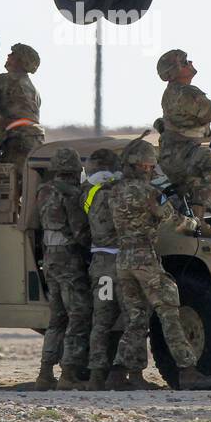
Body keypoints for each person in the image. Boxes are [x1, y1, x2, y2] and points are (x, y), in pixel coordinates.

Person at [110, 138, 211, 391]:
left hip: (123, 259)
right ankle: (187, 371)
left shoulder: (114, 191)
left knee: (135, 319)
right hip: (144, 258)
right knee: (169, 311)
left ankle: (116, 375)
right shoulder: (149, 193)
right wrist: (196, 225)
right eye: (149, 167)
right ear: (142, 167)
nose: (151, 172)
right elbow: (173, 219)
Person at [155, 49, 211, 236]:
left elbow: (206, 110)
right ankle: (198, 222)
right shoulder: (186, 93)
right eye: (185, 62)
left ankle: (193, 216)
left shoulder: (174, 92)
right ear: (176, 72)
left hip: (174, 153)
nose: (190, 63)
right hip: (182, 152)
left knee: (195, 182)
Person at [29, 147, 92, 391]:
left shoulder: (43, 191)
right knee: (79, 314)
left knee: (56, 318)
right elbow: (80, 232)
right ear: (76, 170)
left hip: (50, 258)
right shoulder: (72, 194)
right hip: (69, 259)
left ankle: (45, 374)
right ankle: (69, 373)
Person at [80, 147, 131, 391]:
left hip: (100, 265)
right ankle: (124, 373)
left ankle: (95, 377)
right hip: (122, 265)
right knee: (132, 318)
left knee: (101, 321)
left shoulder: (89, 193)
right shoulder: (123, 192)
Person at [0, 42, 43, 178]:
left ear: (21, 61)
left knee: (8, 182)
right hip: (36, 140)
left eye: (13, 54)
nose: (8, 56)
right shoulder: (33, 90)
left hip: (16, 140)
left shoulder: (1, 80)